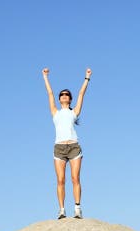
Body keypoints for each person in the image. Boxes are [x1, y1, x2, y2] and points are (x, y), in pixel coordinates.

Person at [42, 67, 91, 219]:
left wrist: (87, 78)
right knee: (60, 180)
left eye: (66, 95)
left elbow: (82, 94)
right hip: (59, 148)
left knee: (75, 178)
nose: (64, 96)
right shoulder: (55, 112)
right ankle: (62, 209)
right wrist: (45, 77)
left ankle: (77, 208)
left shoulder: (74, 112)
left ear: (69, 99)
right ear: (59, 99)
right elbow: (49, 93)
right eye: (62, 95)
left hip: (74, 147)